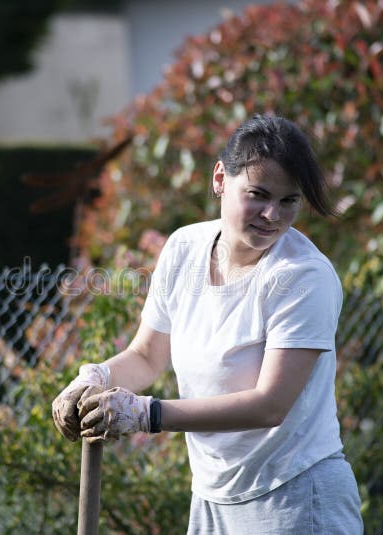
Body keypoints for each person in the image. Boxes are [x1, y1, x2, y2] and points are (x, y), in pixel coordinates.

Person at [52, 114, 363, 534]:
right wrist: (95, 376)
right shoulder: (184, 248)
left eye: (289, 201)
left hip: (294, 499)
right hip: (212, 498)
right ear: (220, 178)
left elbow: (270, 404)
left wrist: (146, 414)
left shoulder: (303, 277)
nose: (272, 214)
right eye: (258, 194)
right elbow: (146, 356)